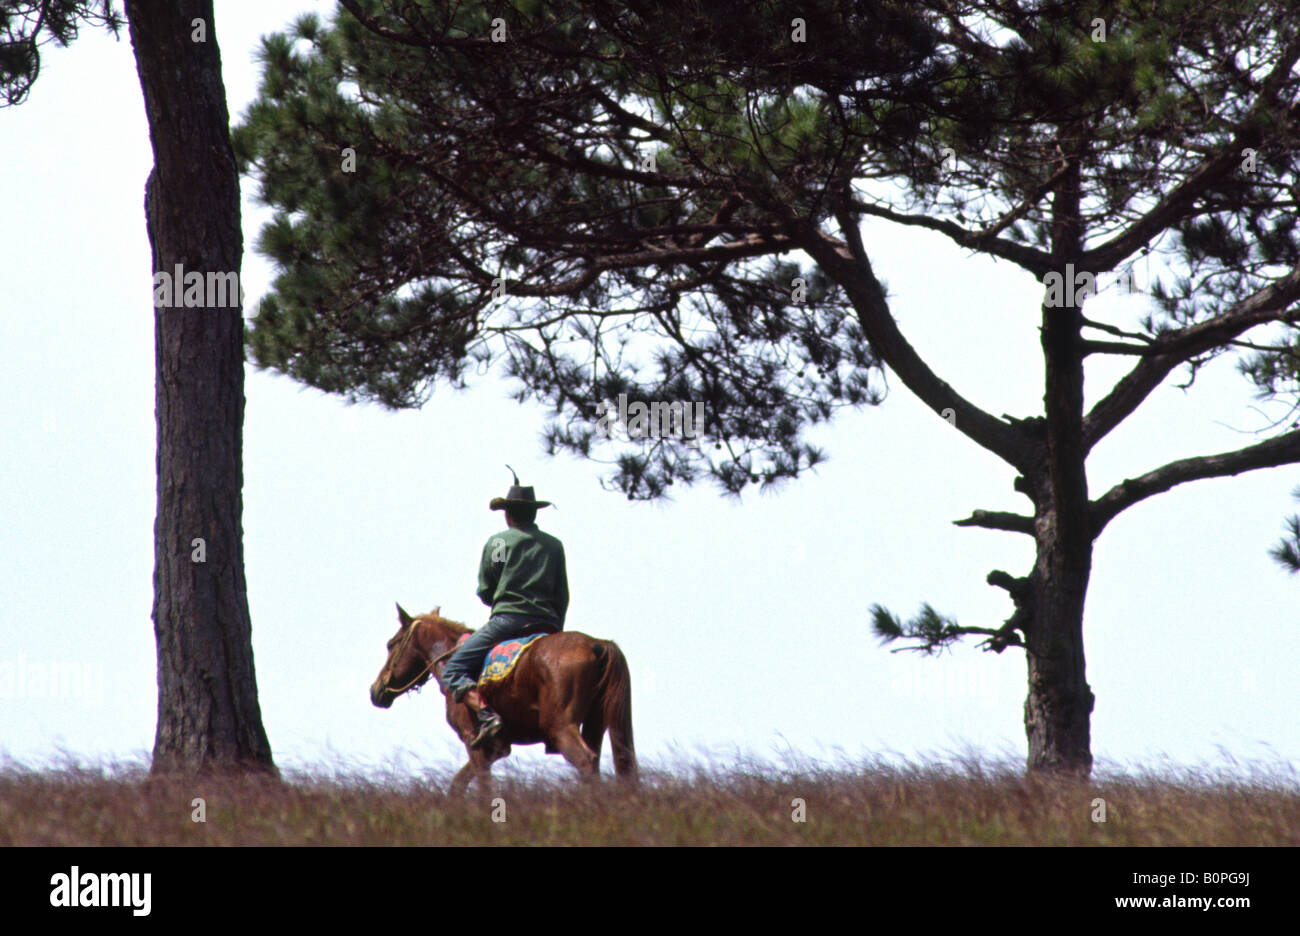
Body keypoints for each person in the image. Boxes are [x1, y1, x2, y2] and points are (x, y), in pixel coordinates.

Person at [439, 468, 568, 748]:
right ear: (533, 514)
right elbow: (562, 594)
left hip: (509, 620)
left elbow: (488, 585)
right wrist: (556, 627)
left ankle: (486, 714)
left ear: (508, 514)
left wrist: (496, 595)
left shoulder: (499, 542)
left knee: (453, 669)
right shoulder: (554, 546)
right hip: (548, 623)